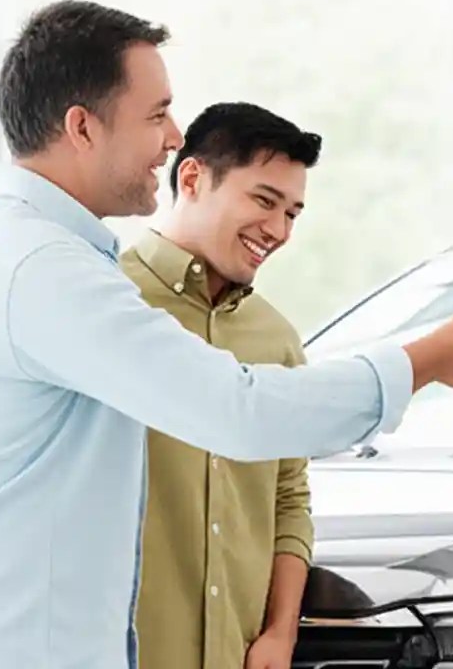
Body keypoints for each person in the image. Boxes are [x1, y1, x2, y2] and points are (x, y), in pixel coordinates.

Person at [0, 0, 453, 669]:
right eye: (156, 114)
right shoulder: (45, 272)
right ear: (82, 127)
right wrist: (429, 359)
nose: (173, 138)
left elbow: (282, 485)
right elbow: (236, 409)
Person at [119, 102, 326, 669]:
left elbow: (289, 498)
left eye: (293, 213)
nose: (279, 231)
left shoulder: (276, 338)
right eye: (263, 201)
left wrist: (280, 634)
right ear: (191, 178)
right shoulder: (108, 306)